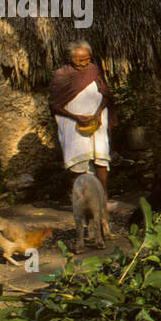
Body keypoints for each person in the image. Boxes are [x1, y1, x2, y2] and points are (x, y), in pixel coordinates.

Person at [48, 40, 114, 209]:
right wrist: (75, 116)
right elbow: (55, 104)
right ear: (70, 59)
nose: (84, 64)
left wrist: (99, 112)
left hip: (96, 120)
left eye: (87, 59)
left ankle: (103, 196)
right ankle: (86, 200)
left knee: (100, 156)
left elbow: (106, 93)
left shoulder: (93, 70)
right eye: (80, 60)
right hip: (72, 122)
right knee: (80, 158)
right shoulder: (61, 75)